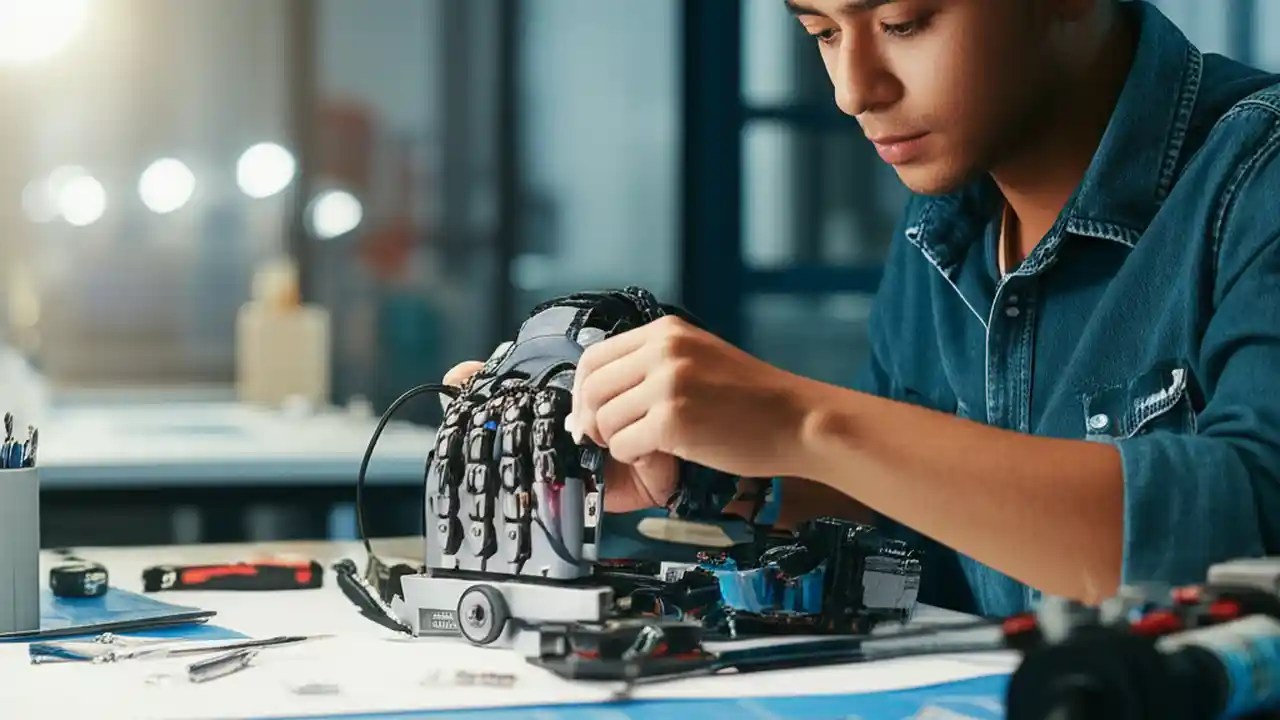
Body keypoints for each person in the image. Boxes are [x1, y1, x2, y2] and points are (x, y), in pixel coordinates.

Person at [445, 0, 1280, 617]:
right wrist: (716, 468)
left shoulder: (1258, 179)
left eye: (905, 22)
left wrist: (804, 418)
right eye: (822, 32)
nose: (854, 89)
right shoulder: (944, 228)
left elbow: (1243, 530)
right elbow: (908, 524)